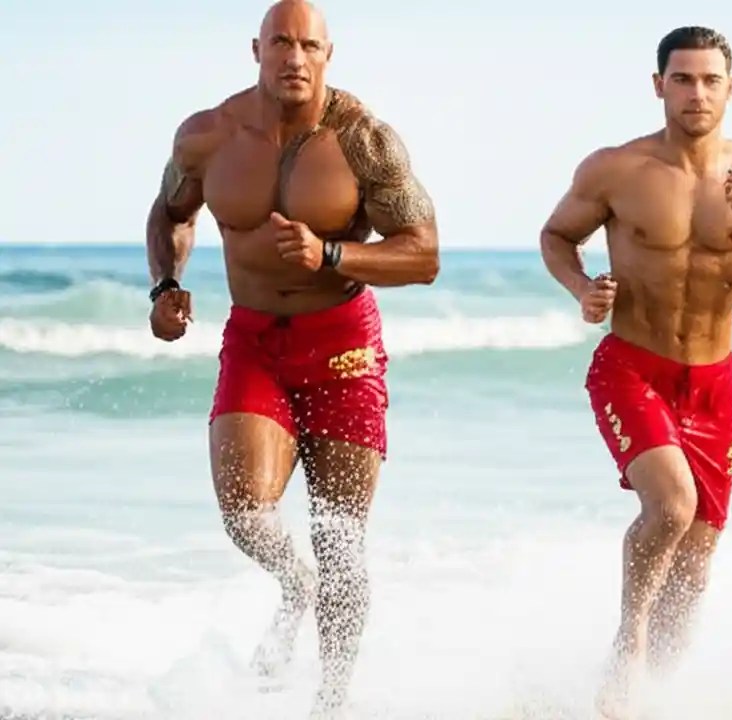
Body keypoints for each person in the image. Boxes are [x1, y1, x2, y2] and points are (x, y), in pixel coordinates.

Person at [144, 1, 439, 715]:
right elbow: (170, 214)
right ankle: (292, 584)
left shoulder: (366, 141)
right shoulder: (207, 135)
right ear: (257, 49)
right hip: (254, 340)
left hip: (341, 343)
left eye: (310, 45)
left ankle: (331, 700)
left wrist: (330, 252)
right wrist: (165, 285)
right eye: (281, 42)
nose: (295, 58)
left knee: (340, 541)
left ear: (329, 54)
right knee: (245, 510)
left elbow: (424, 253)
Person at [539, 25, 732, 715]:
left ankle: (655, 697)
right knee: (672, 507)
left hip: (714, 379)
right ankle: (626, 644)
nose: (696, 93)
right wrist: (582, 290)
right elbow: (556, 236)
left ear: (731, 88)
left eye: (709, 80)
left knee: (697, 558)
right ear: (658, 84)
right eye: (683, 79)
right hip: (632, 365)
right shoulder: (617, 170)